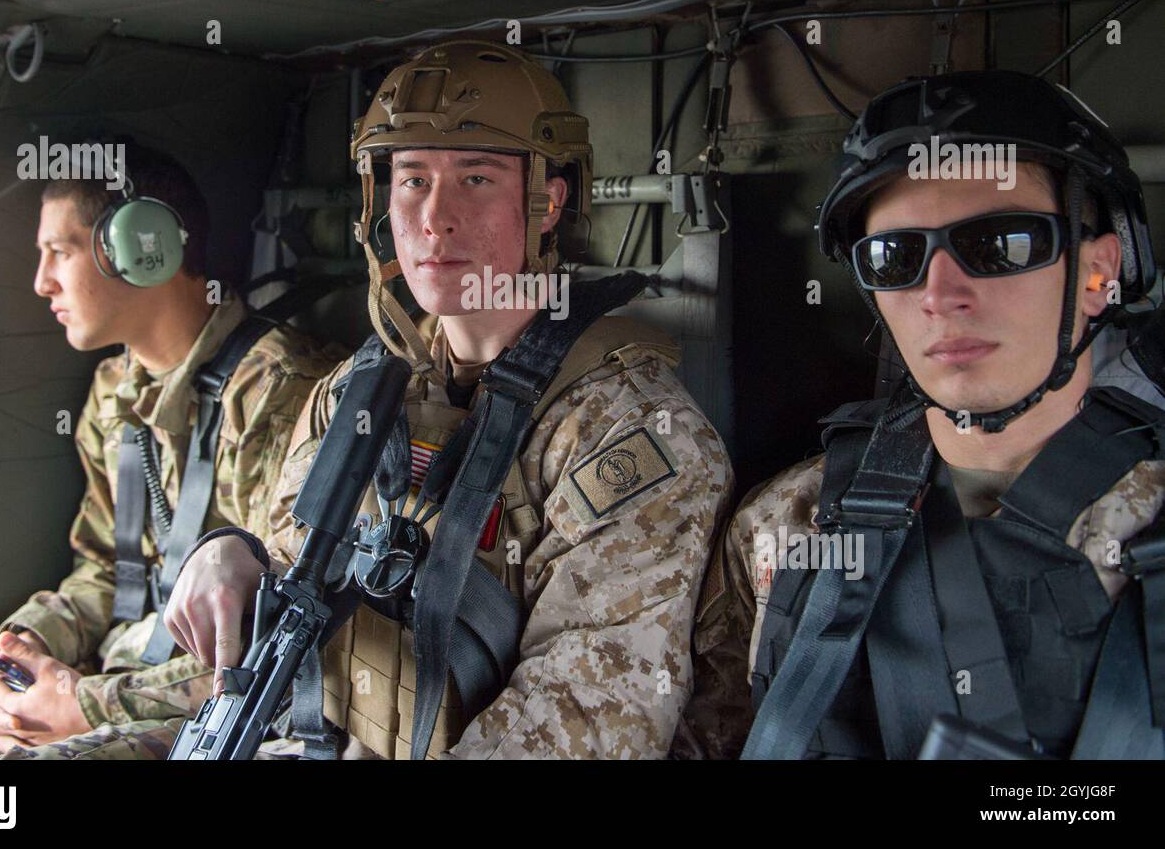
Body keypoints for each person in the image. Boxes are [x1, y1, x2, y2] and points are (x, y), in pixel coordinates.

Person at [164, 40, 733, 759]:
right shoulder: (361, 390)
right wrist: (230, 555)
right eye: (411, 180)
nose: (434, 217)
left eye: (474, 178)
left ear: (547, 203)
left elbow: (584, 725)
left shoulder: (628, 431)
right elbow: (285, 568)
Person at [680, 70, 1165, 760]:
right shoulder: (786, 523)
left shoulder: (1148, 522)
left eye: (1000, 244)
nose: (939, 294)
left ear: (1097, 274)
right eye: (895, 256)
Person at [0, 144, 339, 759]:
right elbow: (105, 573)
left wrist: (82, 706)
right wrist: (24, 650)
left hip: (220, 700)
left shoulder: (281, 392)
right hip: (109, 666)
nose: (41, 283)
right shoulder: (114, 389)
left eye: (59, 252)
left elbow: (281, 643)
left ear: (147, 247)